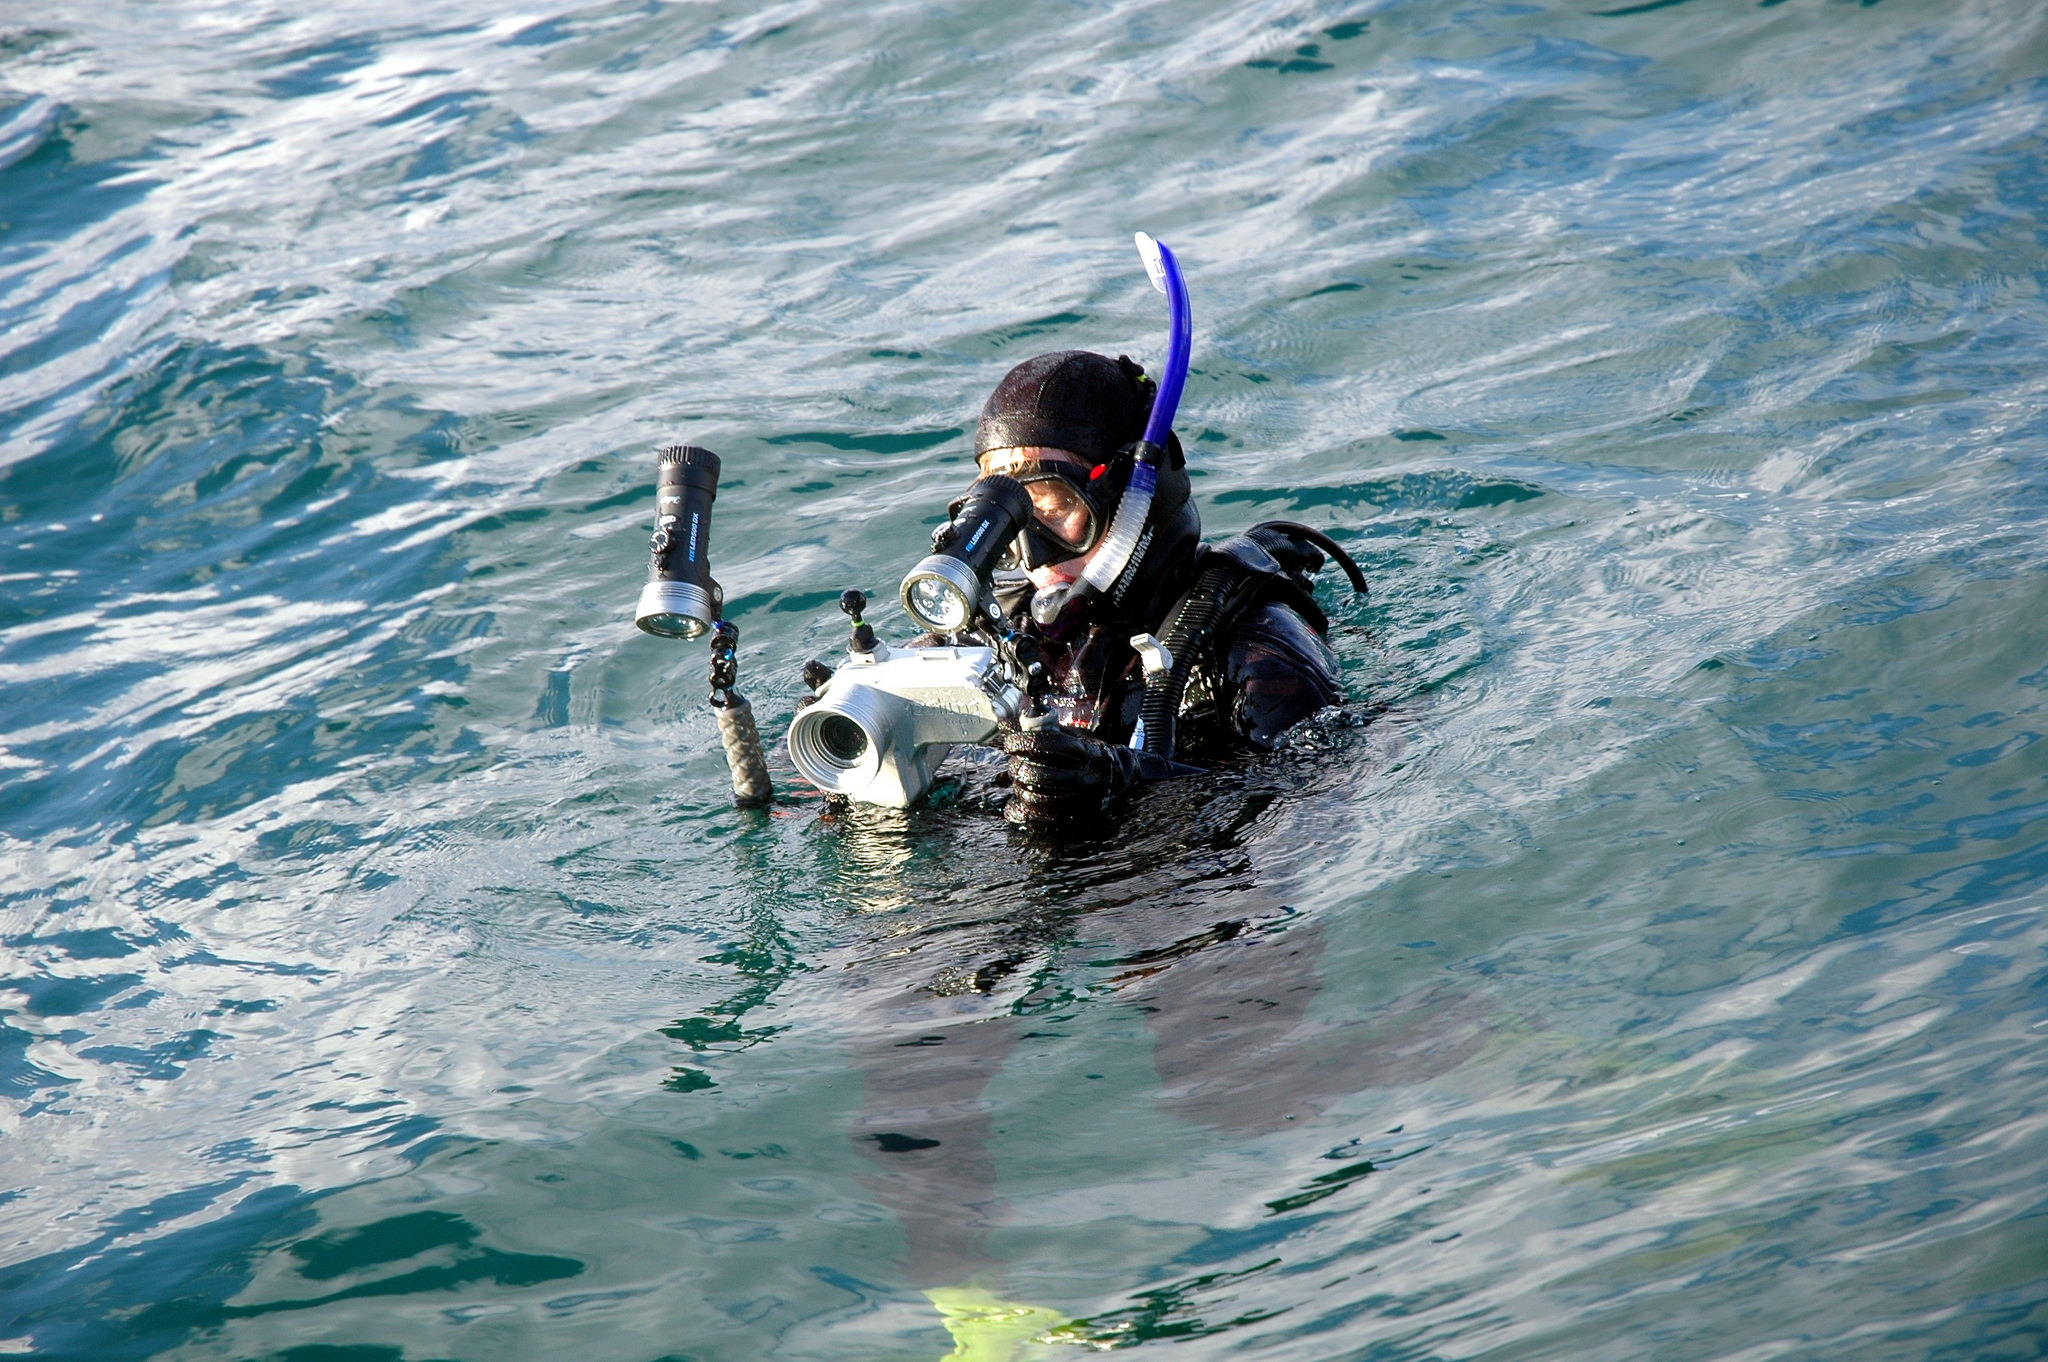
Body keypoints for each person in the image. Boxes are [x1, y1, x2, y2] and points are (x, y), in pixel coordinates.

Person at [963, 349, 1365, 827]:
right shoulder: (988, 646)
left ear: (1137, 495)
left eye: (1055, 508)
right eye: (1010, 517)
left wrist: (1119, 782)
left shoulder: (1257, 655)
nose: (1032, 553)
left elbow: (1314, 822)